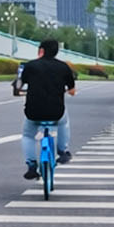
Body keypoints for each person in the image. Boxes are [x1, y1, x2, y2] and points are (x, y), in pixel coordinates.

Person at [13, 39, 76, 180]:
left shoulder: (30, 66)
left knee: (28, 135)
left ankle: (31, 165)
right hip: (56, 112)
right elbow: (72, 90)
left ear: (41, 50)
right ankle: (63, 151)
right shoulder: (63, 67)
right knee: (64, 122)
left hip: (33, 111)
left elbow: (19, 85)